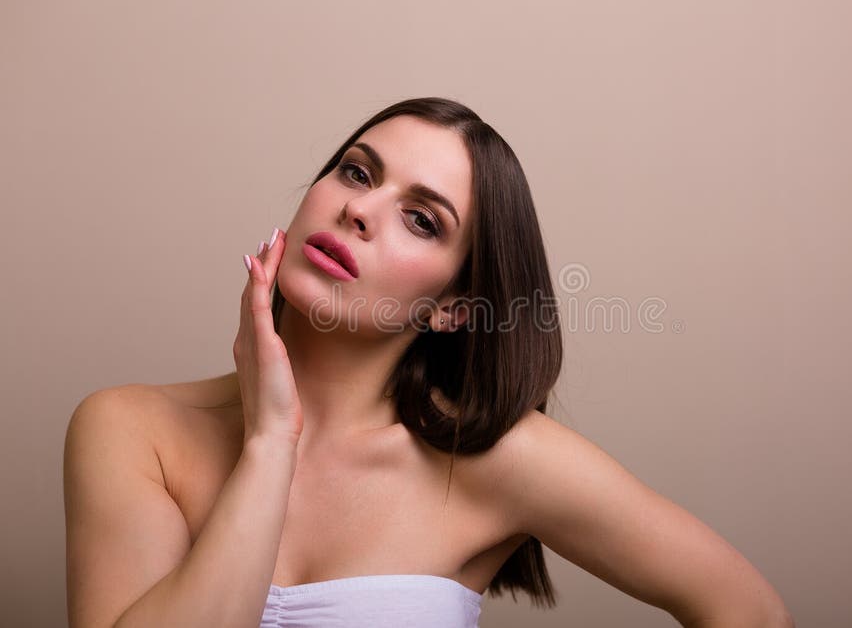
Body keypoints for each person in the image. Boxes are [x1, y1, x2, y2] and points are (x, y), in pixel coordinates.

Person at [63, 97, 794, 627]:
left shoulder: (494, 460)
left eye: (421, 219)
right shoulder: (130, 430)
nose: (359, 209)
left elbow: (747, 610)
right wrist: (268, 444)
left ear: (453, 307)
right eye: (355, 173)